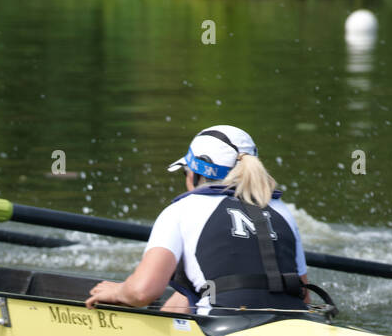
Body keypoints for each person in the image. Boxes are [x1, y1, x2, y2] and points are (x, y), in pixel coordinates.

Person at [86, 125, 309, 316]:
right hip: (295, 320)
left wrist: (118, 291)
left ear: (195, 174)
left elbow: (142, 292)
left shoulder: (181, 210)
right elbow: (304, 296)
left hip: (223, 326)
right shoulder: (282, 211)